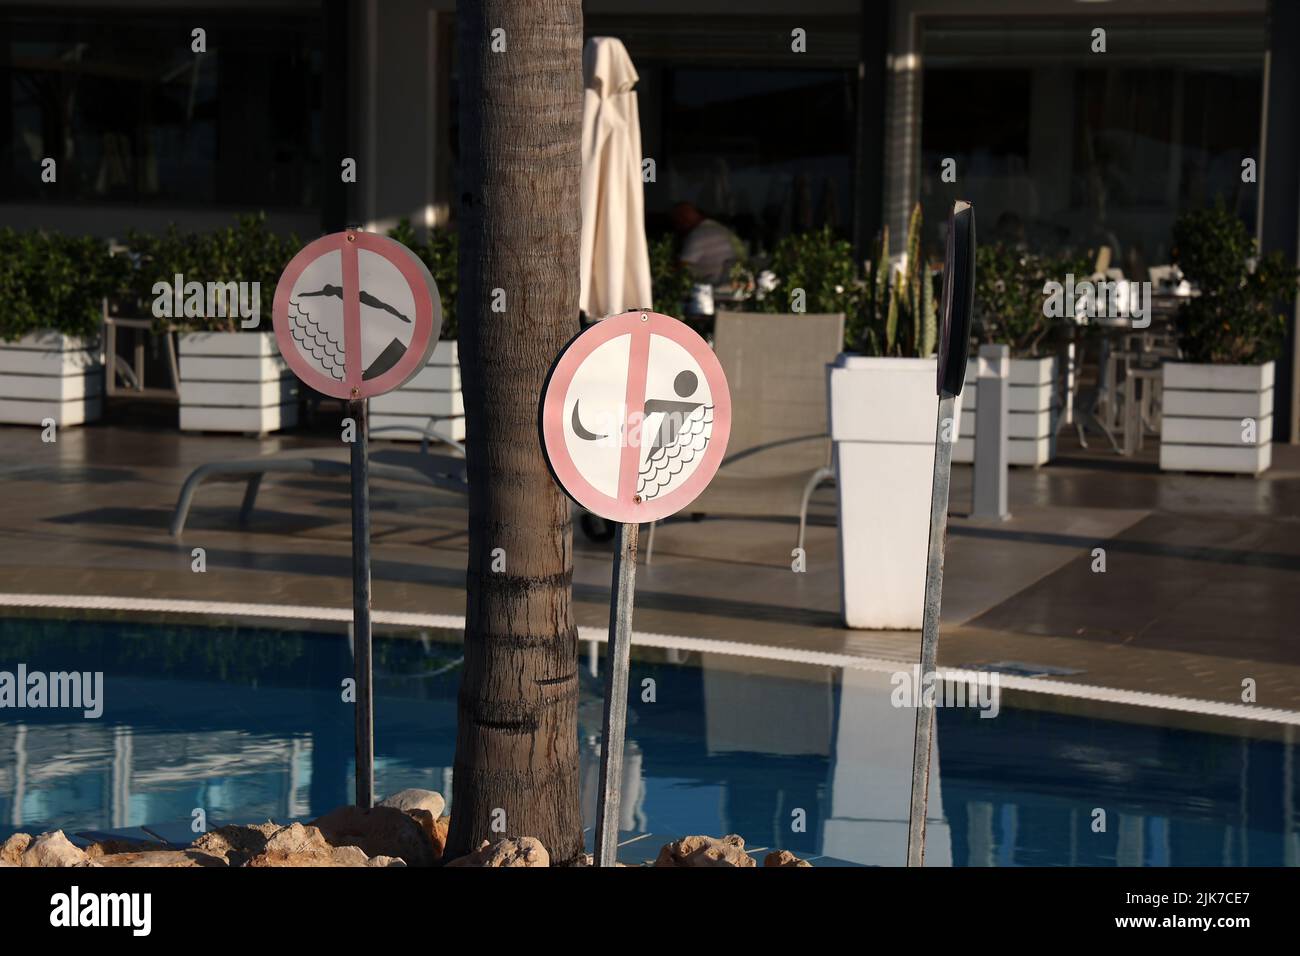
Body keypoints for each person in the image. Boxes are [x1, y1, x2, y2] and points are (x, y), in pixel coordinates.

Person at [670, 202, 745, 289]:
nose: (677, 227)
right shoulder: (718, 228)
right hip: (730, 286)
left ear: (683, 219)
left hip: (711, 289)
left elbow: (681, 269)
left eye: (676, 222)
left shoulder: (698, 235)